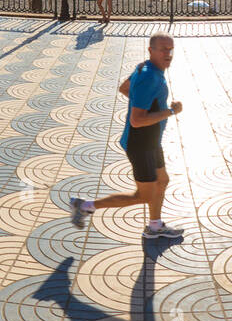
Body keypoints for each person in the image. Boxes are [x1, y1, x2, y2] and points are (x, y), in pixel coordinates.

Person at [73, 33, 185, 240]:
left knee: (162, 180)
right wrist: (170, 111)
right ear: (151, 50)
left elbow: (124, 88)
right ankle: (85, 206)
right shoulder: (149, 77)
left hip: (151, 140)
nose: (168, 54)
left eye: (170, 49)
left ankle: (155, 226)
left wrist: (144, 102)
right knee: (144, 195)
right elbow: (137, 120)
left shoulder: (145, 67)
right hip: (140, 144)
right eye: (163, 49)